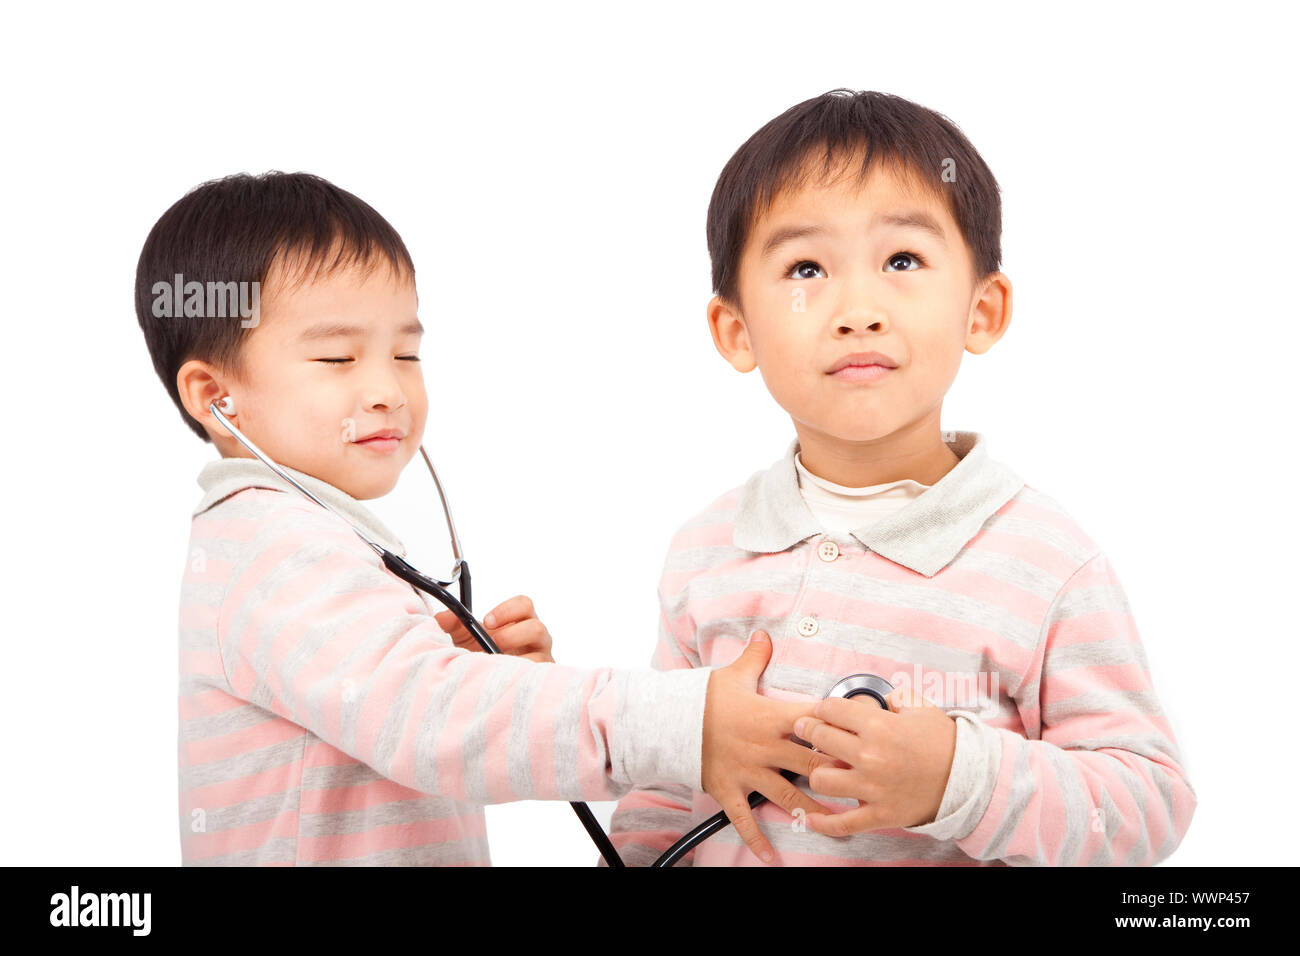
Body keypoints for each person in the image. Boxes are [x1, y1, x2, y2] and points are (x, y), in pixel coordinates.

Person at [138, 170, 830, 865]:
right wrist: (688, 726)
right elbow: (431, 719)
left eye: (405, 353)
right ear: (216, 397)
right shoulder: (276, 547)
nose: (386, 390)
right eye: (336, 357)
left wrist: (471, 673)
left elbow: (403, 710)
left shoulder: (303, 541)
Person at [606, 89, 1197, 866]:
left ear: (982, 311)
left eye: (903, 260)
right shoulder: (705, 553)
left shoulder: (1045, 561)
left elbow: (1146, 805)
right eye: (806, 266)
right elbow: (665, 791)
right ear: (736, 330)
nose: (858, 308)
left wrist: (960, 779)